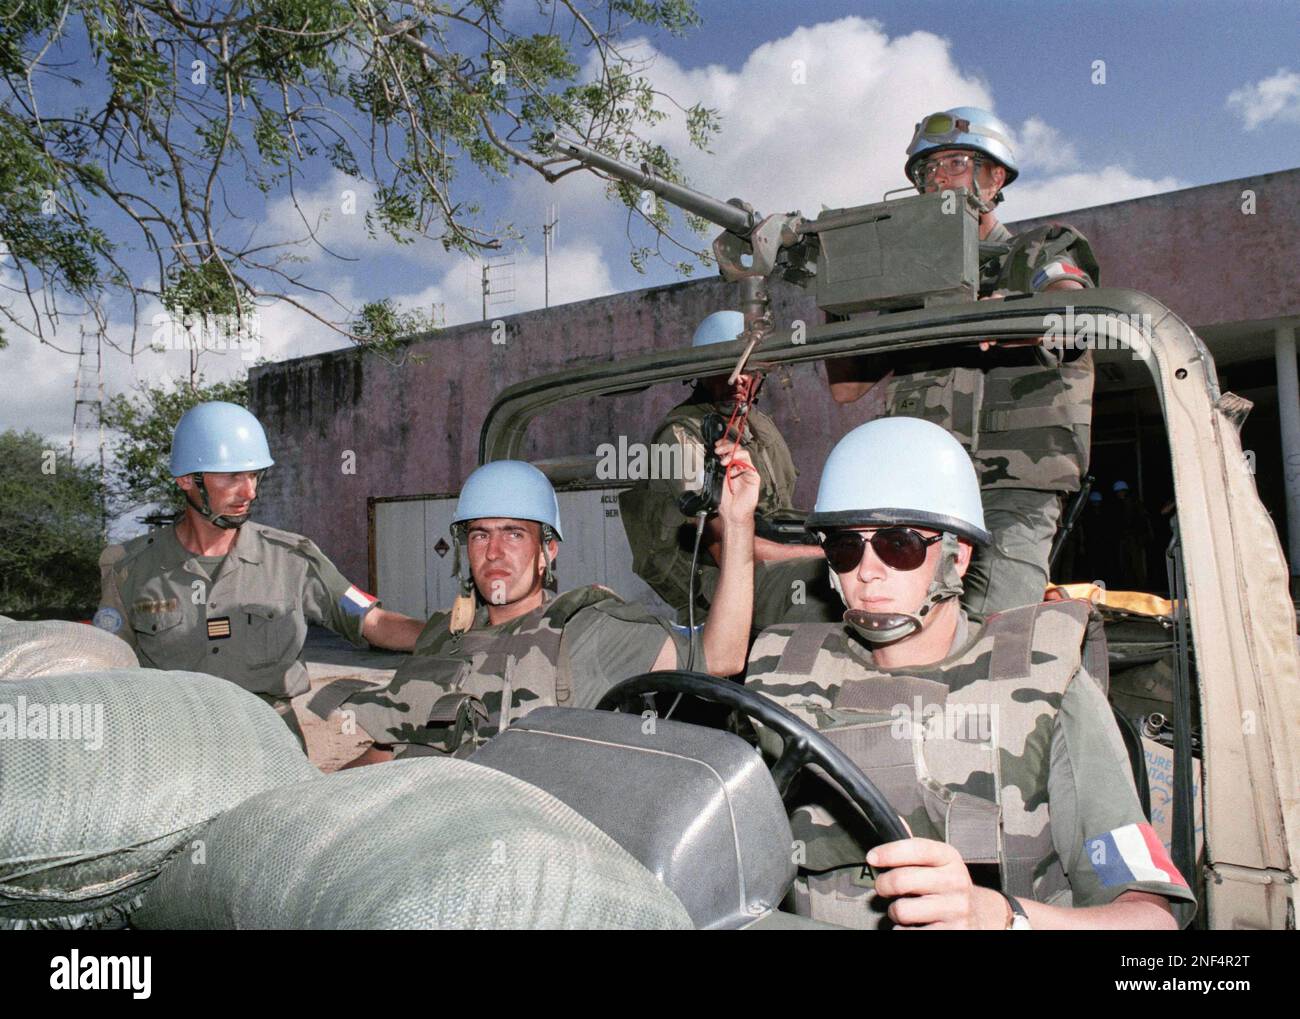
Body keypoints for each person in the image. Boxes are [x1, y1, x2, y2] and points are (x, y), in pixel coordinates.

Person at [745, 417, 1195, 929]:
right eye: (846, 547)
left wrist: (1002, 917)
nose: (867, 570)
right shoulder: (783, 674)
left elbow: (1149, 918)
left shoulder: (1043, 679)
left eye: (899, 545)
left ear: (957, 558)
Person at [825, 107, 1100, 621]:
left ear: (994, 178)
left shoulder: (1037, 249)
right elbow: (846, 388)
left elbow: (1073, 311)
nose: (937, 180)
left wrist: (1014, 316)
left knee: (994, 630)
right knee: (906, 625)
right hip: (921, 485)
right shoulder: (910, 287)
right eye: (926, 172)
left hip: (1014, 484)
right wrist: (839, 287)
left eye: (954, 163)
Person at [335, 449, 758, 764]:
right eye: (480, 535)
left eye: (514, 534)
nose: (494, 552)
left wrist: (738, 524)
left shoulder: (588, 630)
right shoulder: (447, 635)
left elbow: (721, 655)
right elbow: (387, 750)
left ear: (547, 551)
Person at [95, 401, 424, 741]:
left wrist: (447, 635)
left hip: (271, 745)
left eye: (254, 475)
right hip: (172, 746)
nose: (249, 492)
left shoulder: (293, 559)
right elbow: (104, 667)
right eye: (233, 476)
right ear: (186, 480)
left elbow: (370, 621)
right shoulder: (130, 569)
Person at [619, 310, 838, 629]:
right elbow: (722, 542)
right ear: (700, 373)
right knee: (825, 590)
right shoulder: (681, 436)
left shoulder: (759, 426)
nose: (737, 380)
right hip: (722, 580)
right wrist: (820, 556)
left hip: (771, 558)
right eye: (724, 369)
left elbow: (780, 513)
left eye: (749, 369)